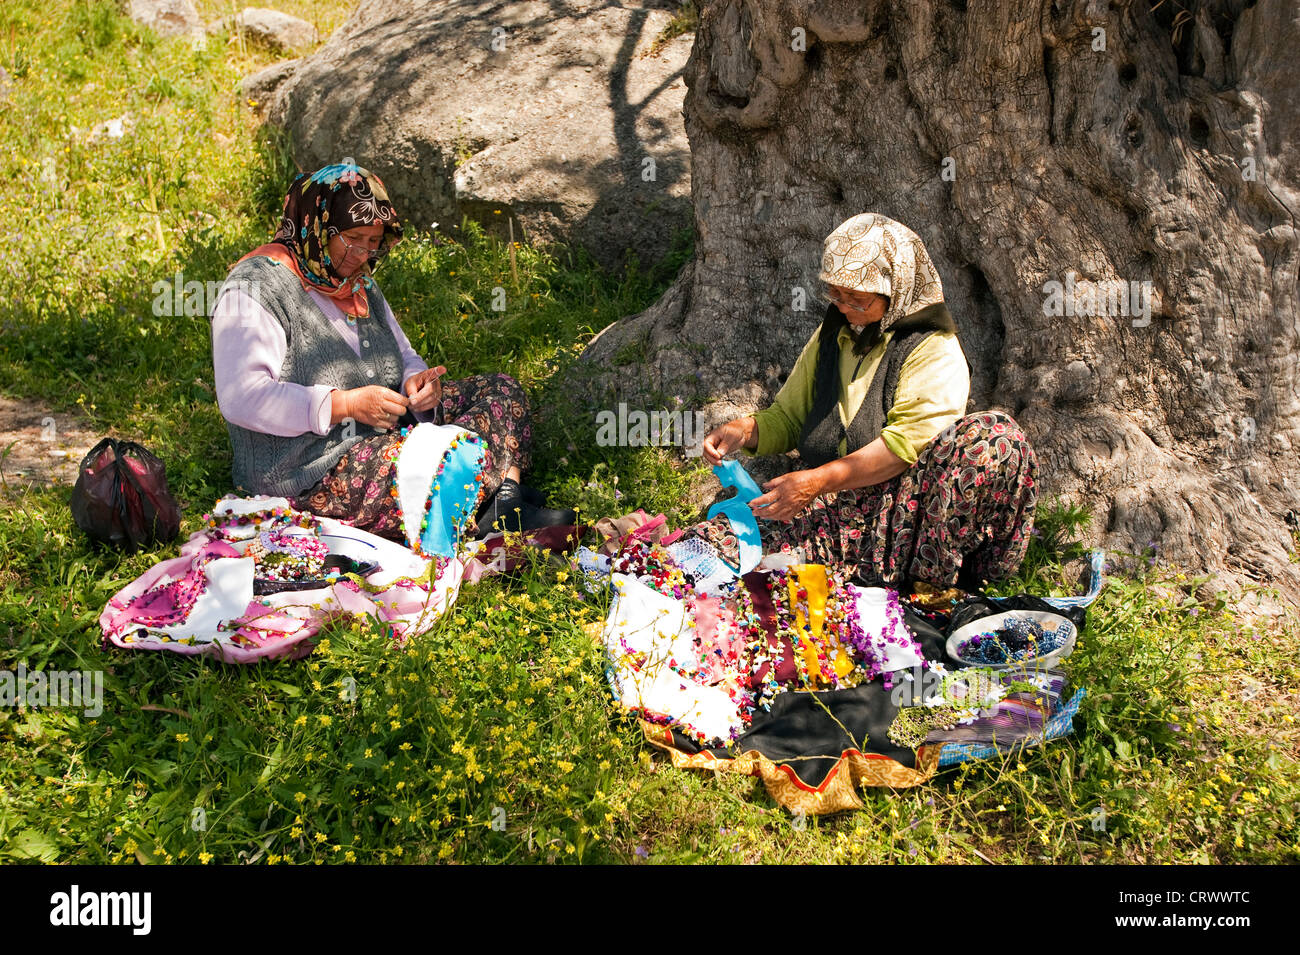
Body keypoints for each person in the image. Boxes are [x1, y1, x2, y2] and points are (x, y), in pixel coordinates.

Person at [210, 162, 574, 541]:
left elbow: (403, 353)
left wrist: (417, 386)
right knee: (436, 465)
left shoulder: (355, 281)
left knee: (502, 391)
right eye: (354, 238)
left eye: (374, 241)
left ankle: (502, 501)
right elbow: (242, 397)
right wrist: (345, 405)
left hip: (383, 432)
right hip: (310, 471)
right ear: (318, 226)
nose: (364, 254)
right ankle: (491, 499)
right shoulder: (256, 289)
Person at [687, 212, 1038, 591]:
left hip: (903, 518)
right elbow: (790, 418)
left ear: (897, 290)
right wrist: (745, 431)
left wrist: (817, 481)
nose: (842, 306)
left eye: (856, 298)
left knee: (995, 437)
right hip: (835, 508)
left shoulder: (933, 350)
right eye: (834, 293)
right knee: (714, 549)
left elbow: (902, 448)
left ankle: (930, 583)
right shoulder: (834, 334)